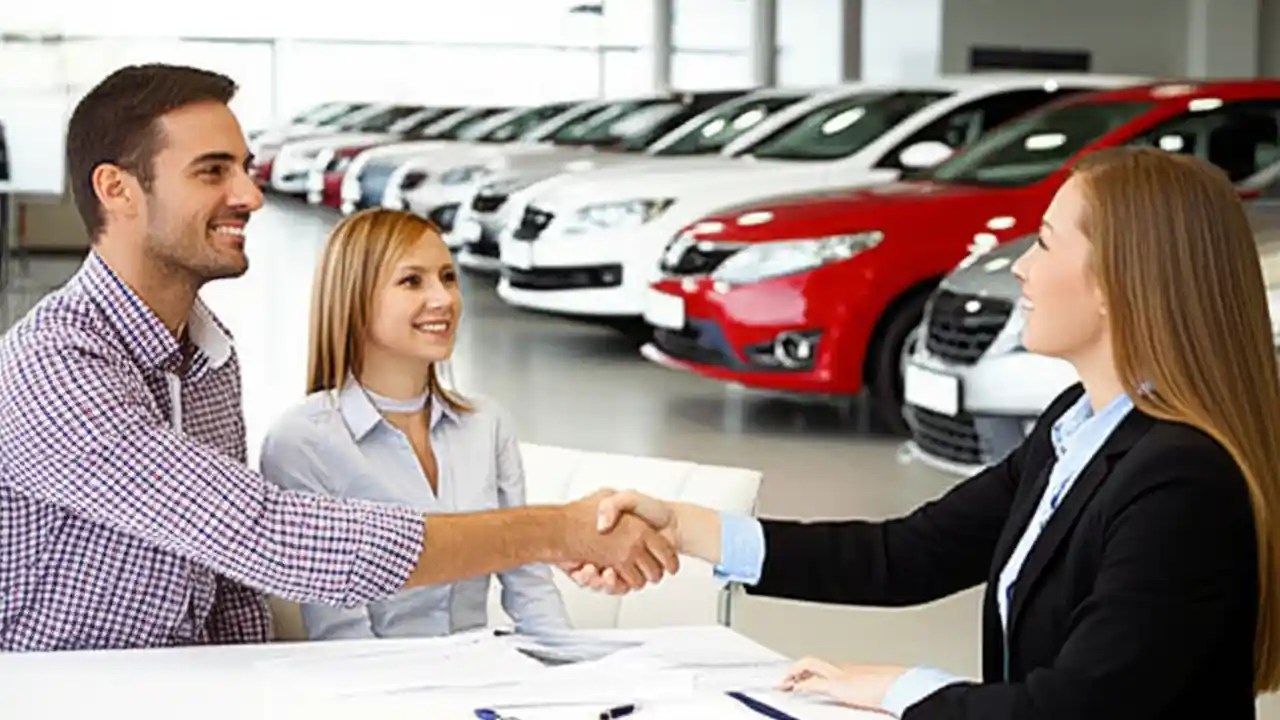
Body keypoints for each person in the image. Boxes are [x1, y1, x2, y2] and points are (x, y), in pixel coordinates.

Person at [571, 147, 1280, 718]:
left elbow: (1080, 705)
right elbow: (909, 553)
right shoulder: (1079, 424)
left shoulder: (1182, 480)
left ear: (1116, 284)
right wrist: (689, 528)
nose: (1023, 268)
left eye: (1043, 243)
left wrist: (903, 688)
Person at [0, 63, 674, 652]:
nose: (251, 196)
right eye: (213, 172)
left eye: (245, 168)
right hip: (64, 688)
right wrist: (554, 529)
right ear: (117, 189)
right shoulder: (53, 365)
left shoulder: (207, 356)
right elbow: (267, 538)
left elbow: (230, 591)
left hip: (193, 684)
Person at [259, 208, 570, 639]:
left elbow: (530, 585)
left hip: (482, 683)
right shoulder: (304, 441)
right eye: (412, 281)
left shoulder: (487, 424)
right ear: (354, 296)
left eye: (447, 277)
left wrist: (575, 677)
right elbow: (340, 632)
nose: (443, 299)